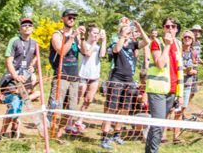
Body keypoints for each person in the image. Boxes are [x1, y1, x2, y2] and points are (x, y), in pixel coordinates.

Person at [100, 17, 148, 151]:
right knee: (111, 109)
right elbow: (116, 50)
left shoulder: (133, 44)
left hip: (129, 80)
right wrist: (123, 36)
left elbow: (146, 42)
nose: (129, 33)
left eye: (129, 31)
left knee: (125, 109)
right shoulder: (115, 43)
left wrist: (139, 28)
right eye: (126, 30)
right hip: (117, 79)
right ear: (120, 32)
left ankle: (117, 133)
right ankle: (104, 137)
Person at [145, 17, 182, 153]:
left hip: (171, 90)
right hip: (157, 89)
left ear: (177, 29)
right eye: (167, 26)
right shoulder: (157, 43)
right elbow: (160, 64)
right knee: (158, 126)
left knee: (159, 125)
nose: (170, 29)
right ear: (163, 28)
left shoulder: (178, 44)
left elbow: (179, 70)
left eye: (173, 26)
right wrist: (167, 45)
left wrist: (180, 93)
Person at [1, 16, 40, 139]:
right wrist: (15, 76)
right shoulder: (14, 41)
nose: (27, 27)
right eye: (24, 25)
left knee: (18, 105)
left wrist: (32, 65)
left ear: (32, 28)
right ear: (20, 28)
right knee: (14, 104)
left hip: (25, 80)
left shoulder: (35, 43)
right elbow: (8, 61)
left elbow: (37, 56)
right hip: (11, 80)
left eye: (29, 25)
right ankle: (2, 133)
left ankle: (13, 128)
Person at [49, 8, 83, 137]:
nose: (72, 19)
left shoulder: (77, 36)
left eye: (74, 18)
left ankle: (59, 133)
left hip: (74, 77)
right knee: (55, 106)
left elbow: (86, 52)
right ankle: (49, 133)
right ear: (63, 18)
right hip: (61, 75)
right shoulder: (57, 34)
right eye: (69, 17)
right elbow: (61, 51)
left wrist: (82, 38)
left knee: (71, 109)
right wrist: (72, 37)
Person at [78, 23, 107, 129]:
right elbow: (88, 53)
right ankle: (69, 119)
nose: (96, 35)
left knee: (88, 100)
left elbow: (102, 54)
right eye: (94, 33)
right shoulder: (83, 44)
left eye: (97, 33)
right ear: (89, 33)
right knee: (77, 98)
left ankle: (79, 120)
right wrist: (95, 41)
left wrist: (104, 40)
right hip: (82, 75)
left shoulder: (98, 47)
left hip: (94, 76)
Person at [179, 30, 198, 116]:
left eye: (189, 37)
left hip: (187, 84)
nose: (187, 38)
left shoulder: (194, 53)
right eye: (185, 37)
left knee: (182, 108)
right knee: (172, 109)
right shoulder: (179, 50)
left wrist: (190, 71)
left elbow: (195, 69)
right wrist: (184, 69)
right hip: (177, 83)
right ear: (182, 39)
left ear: (192, 40)